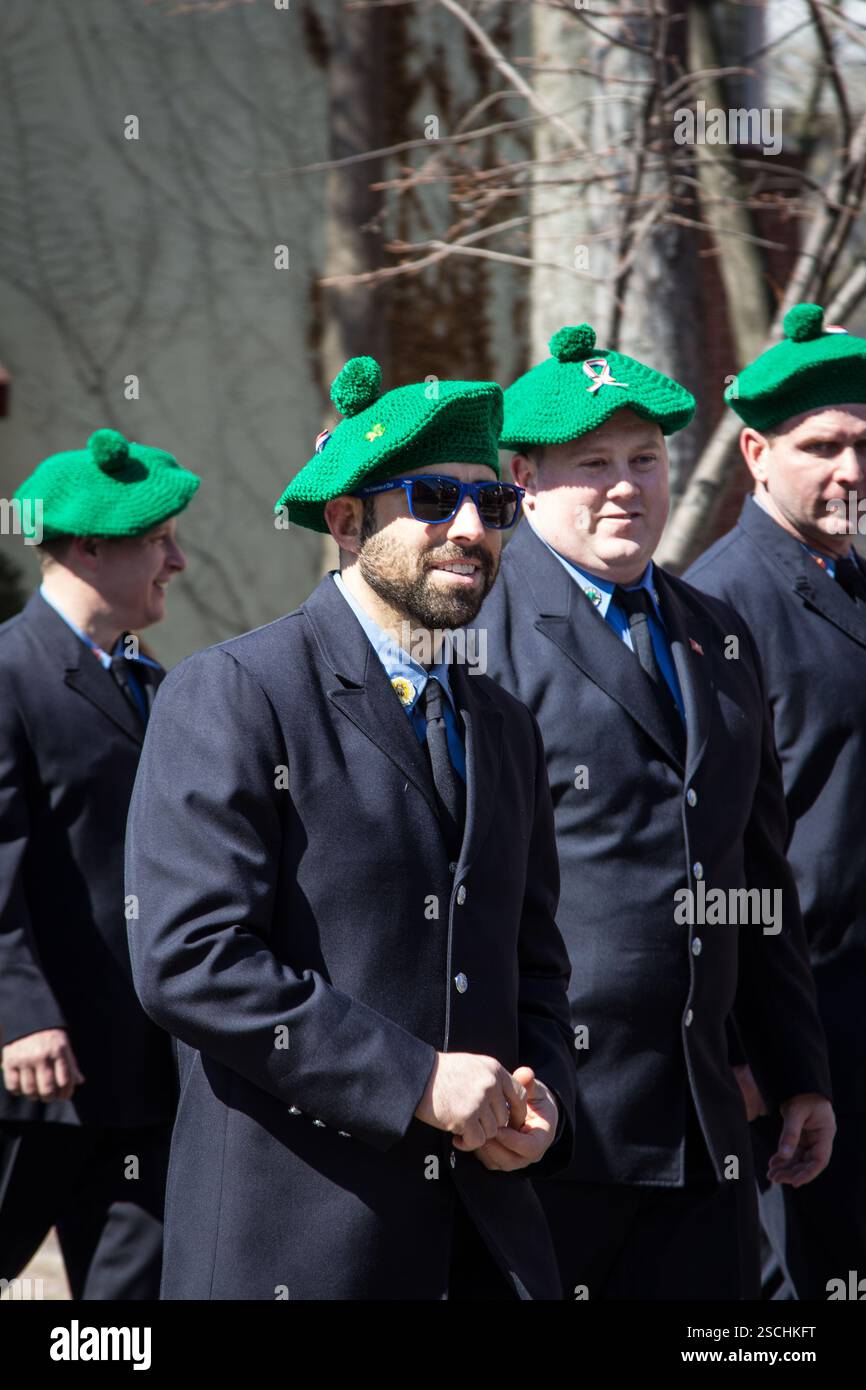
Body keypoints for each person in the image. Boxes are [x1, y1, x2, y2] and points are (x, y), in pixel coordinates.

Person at [124, 356, 576, 1300]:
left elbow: (533, 960)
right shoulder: (237, 691)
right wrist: (414, 1080)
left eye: (491, 505)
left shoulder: (504, 724)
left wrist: (542, 1104)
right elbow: (191, 959)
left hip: (482, 1245)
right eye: (431, 499)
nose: (469, 530)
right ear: (345, 520)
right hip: (294, 1239)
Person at [474, 323, 835, 1300]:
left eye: (644, 459)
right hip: (542, 1119)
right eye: (590, 464)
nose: (624, 486)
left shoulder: (712, 630)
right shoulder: (482, 633)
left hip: (701, 1122)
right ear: (523, 481)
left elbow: (754, 871)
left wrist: (793, 1066)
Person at [686, 302, 866, 1299]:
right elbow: (706, 848)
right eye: (821, 447)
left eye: (864, 445)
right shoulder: (720, 608)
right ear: (754, 451)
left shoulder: (849, 578)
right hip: (794, 1039)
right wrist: (741, 1050)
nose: (849, 470)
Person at [0, 427, 199, 1298]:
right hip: (29, 1075)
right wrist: (19, 1016)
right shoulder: (8, 673)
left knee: (127, 1315)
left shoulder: (152, 683)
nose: (177, 560)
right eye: (156, 540)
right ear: (87, 546)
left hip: (134, 1077)